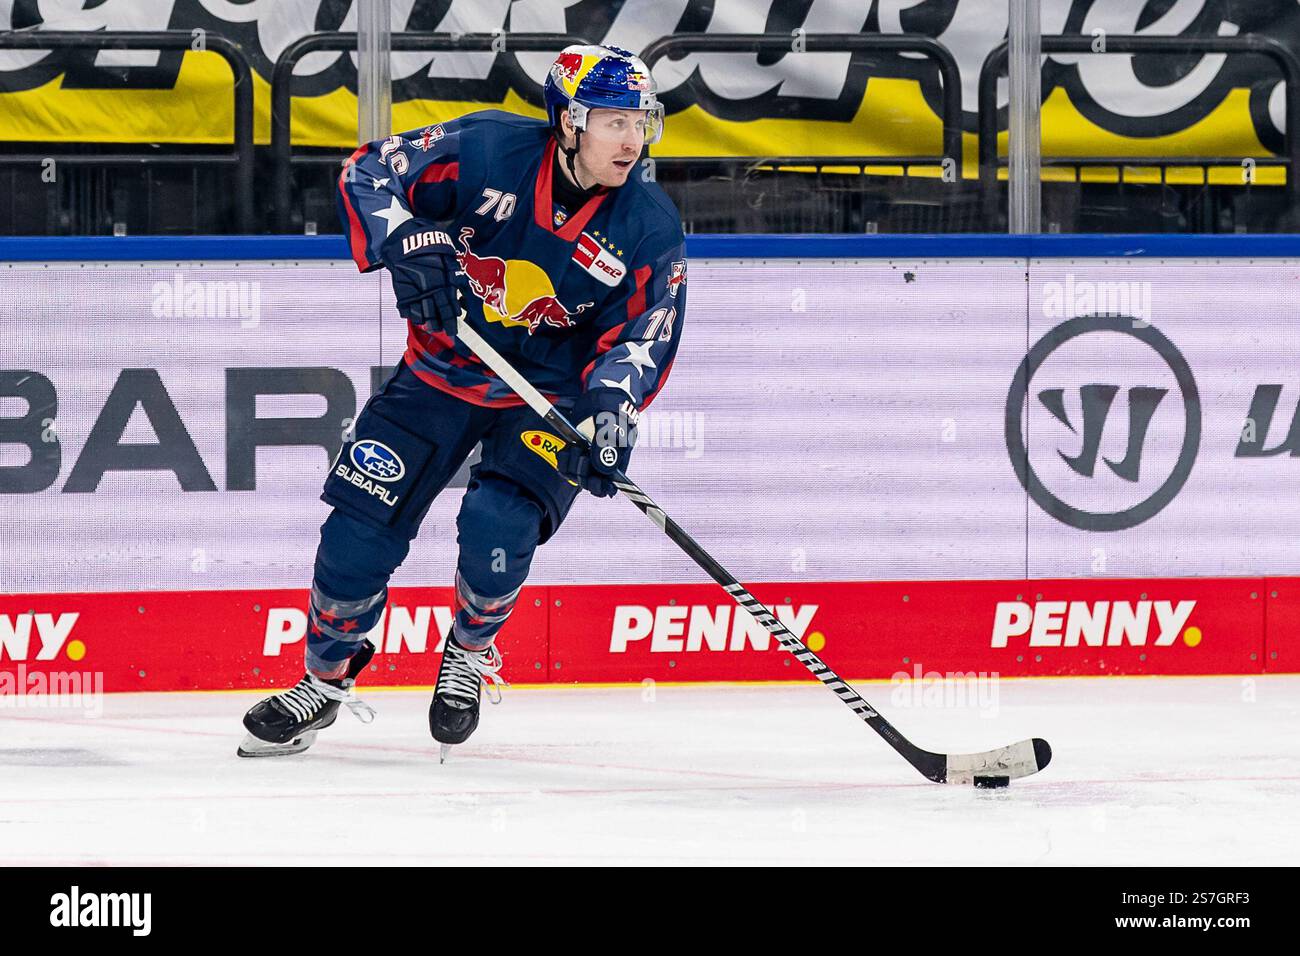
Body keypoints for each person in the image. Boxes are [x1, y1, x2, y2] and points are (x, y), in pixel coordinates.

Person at [238, 44, 688, 759]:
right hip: (441, 370)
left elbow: (642, 331)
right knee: (354, 539)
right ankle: (323, 681)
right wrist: (408, 238)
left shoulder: (649, 224)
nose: (633, 141)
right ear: (568, 121)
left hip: (547, 394)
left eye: (642, 121)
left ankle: (469, 652)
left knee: (496, 531)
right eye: (613, 122)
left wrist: (612, 412)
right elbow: (368, 169)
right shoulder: (484, 151)